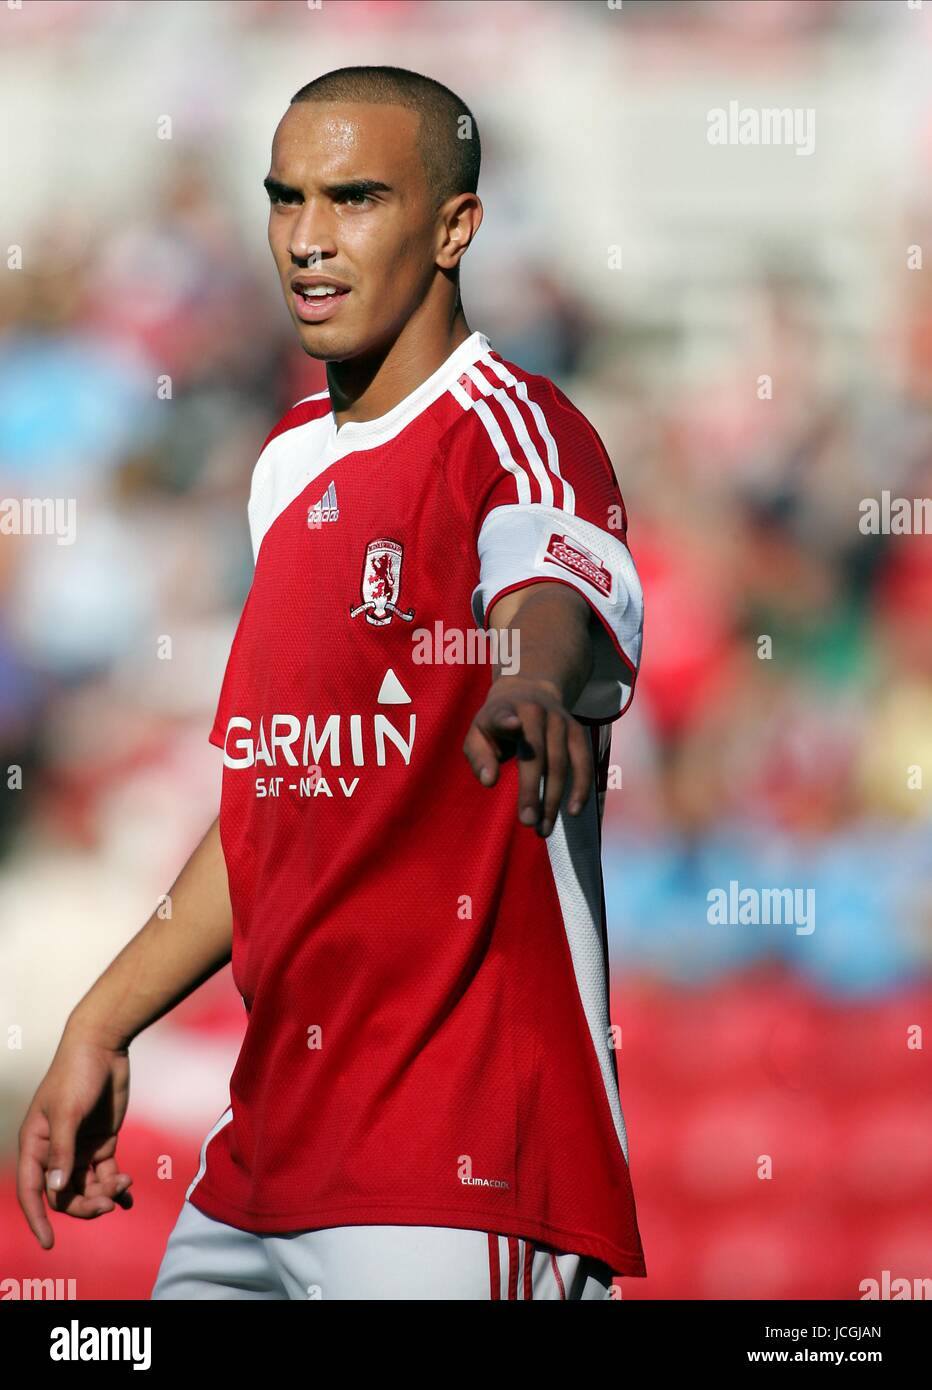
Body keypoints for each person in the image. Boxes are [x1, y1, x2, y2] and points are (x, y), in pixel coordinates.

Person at [17, 65, 646, 1301]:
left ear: (455, 226)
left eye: (354, 198)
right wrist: (101, 1019)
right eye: (285, 198)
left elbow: (550, 586)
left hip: (453, 1171)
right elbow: (275, 802)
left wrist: (527, 676)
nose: (307, 239)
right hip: (260, 1166)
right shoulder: (286, 465)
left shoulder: (517, 433)